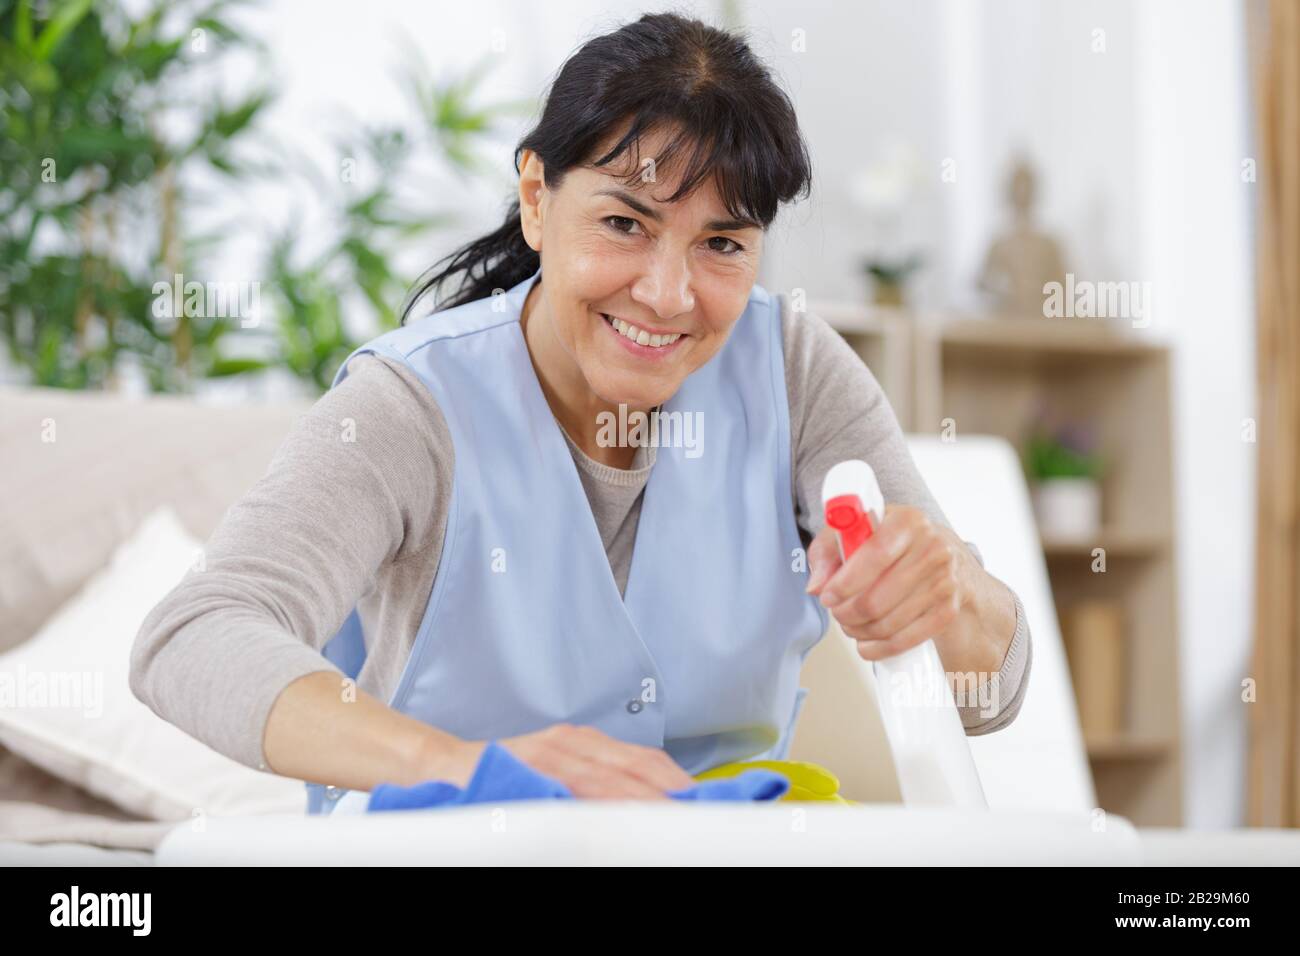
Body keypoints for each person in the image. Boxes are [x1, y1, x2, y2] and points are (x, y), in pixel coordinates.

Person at [131, 12, 1031, 811]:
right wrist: (468, 767)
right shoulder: (410, 406)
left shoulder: (793, 370)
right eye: (625, 224)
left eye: (722, 243)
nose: (668, 295)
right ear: (537, 199)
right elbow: (193, 635)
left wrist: (944, 595)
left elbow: (989, 695)